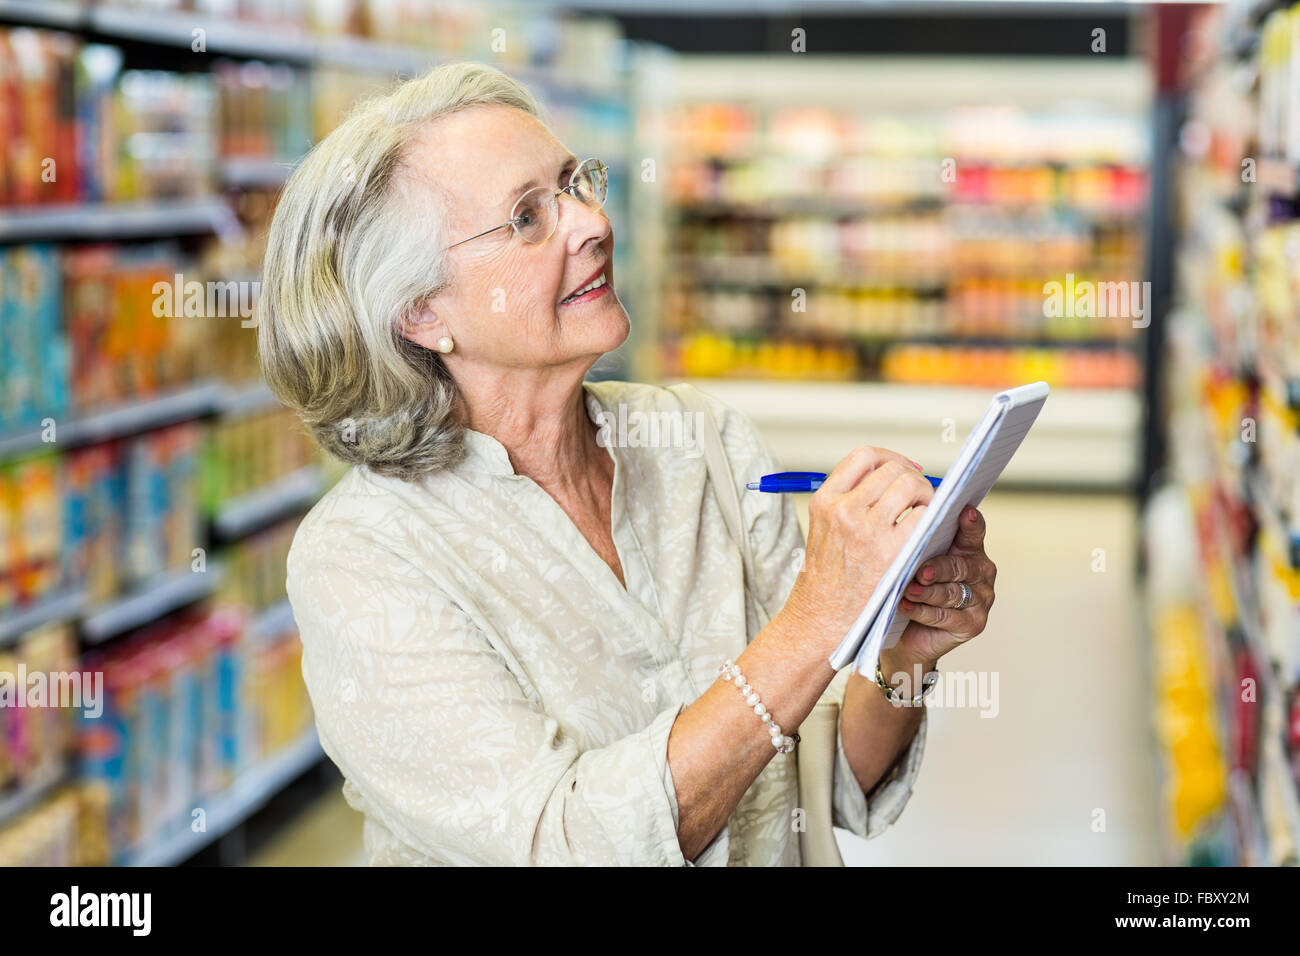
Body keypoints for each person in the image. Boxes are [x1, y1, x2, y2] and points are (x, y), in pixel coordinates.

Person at [257, 61, 997, 865]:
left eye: (575, 183)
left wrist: (900, 657)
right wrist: (817, 618)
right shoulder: (364, 559)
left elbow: (813, 780)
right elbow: (566, 844)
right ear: (423, 312)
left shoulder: (704, 442)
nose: (592, 223)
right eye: (529, 217)